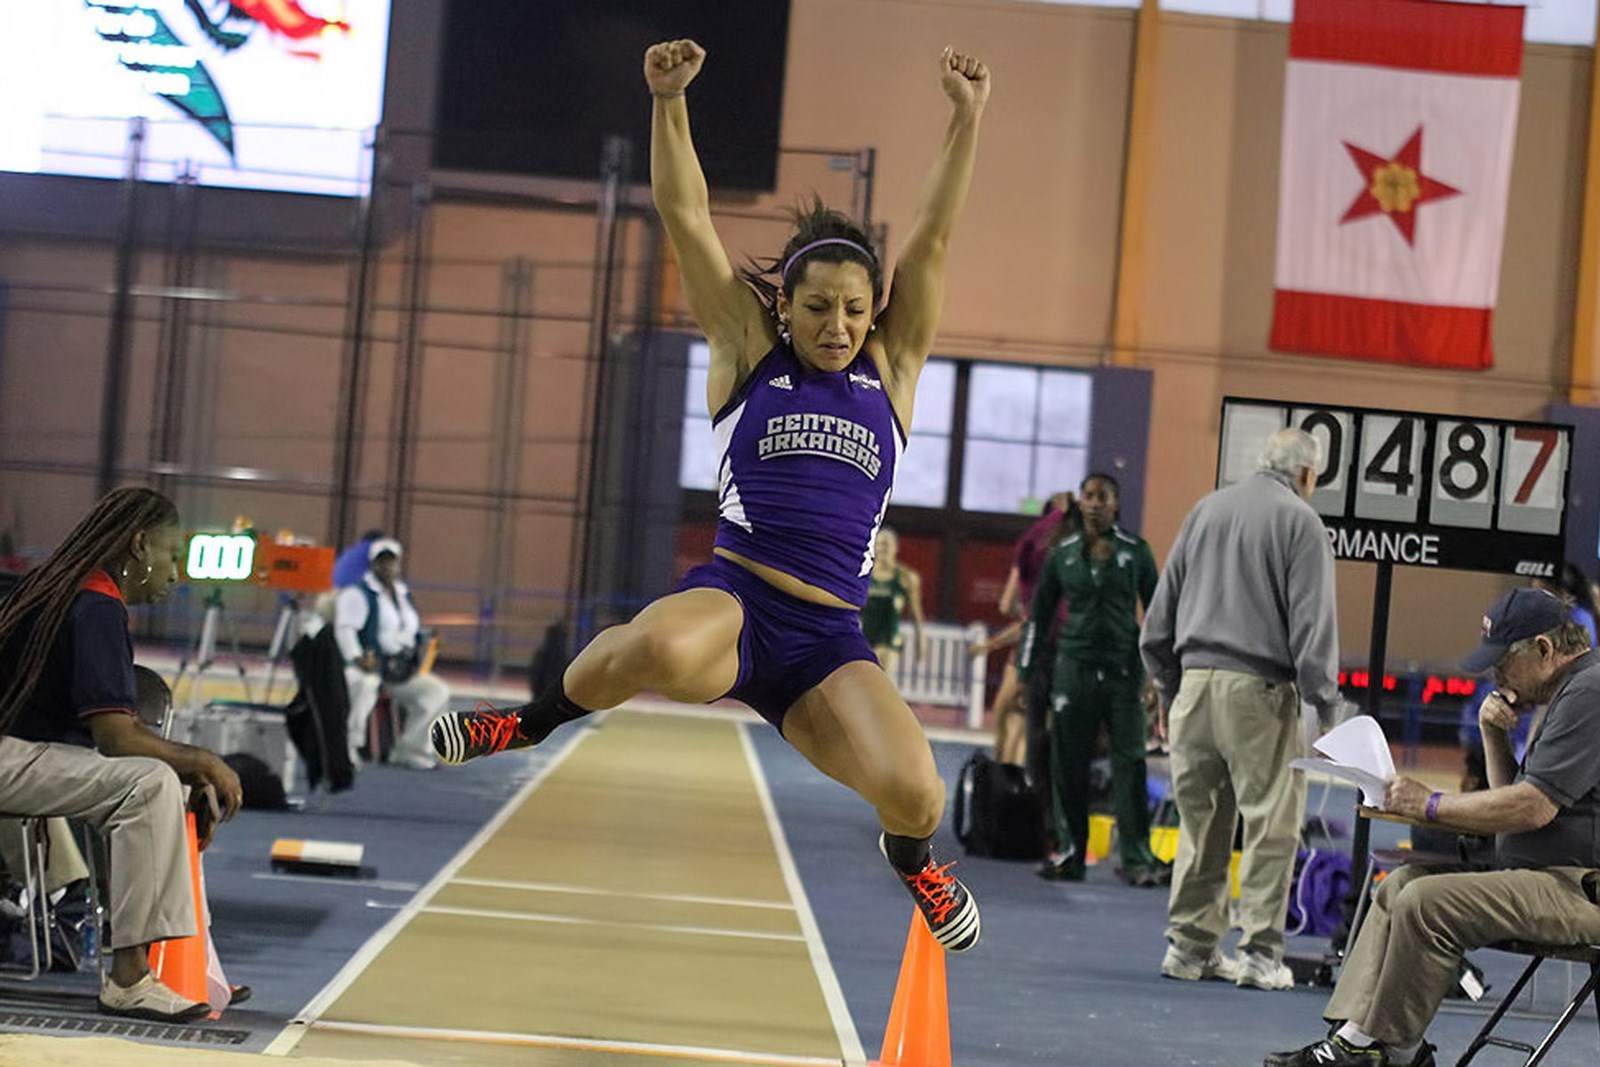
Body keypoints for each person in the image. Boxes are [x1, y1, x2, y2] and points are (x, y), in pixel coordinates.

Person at [430, 38, 990, 953]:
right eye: (817, 308)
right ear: (784, 309)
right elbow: (685, 213)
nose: (839, 325)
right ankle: (530, 721)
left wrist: (967, 120)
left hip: (827, 642)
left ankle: (915, 858)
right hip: (737, 602)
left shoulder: (893, 367)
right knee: (655, 641)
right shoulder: (747, 350)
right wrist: (669, 103)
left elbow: (931, 238)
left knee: (919, 791)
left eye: (854, 308)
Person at [1266, 587, 1599, 1067]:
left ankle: (1388, 1051)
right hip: (1545, 875)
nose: (1494, 675)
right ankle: (1355, 1039)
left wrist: (1432, 804)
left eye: (1502, 662)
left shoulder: (1589, 691)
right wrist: (1493, 734)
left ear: (1545, 650)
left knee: (1427, 903)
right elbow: (1515, 805)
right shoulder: (1566, 691)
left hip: (1578, 887)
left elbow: (1532, 809)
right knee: (1399, 885)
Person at [0, 486, 243, 1022]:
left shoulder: (66, 589)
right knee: (149, 783)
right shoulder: (95, 606)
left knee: (168, 786)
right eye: (171, 555)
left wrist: (187, 770)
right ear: (137, 546)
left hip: (17, 753)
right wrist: (205, 760)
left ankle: (194, 963)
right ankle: (130, 979)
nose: (176, 573)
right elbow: (116, 739)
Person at [1141, 427, 1344, 990]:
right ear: (1308, 475)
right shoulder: (1301, 521)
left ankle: (1189, 946)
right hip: (1258, 692)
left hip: (1194, 688)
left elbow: (1158, 622)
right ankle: (1260, 953)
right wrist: (1326, 706)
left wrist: (1166, 691)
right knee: (1270, 824)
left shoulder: (1205, 510)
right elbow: (1313, 627)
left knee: (1201, 823)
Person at [1019, 473, 1163, 886]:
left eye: (1103, 497)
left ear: (1117, 505)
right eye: (1088, 496)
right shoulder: (1060, 554)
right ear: (1079, 503)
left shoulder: (1137, 552)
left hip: (1124, 672)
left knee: (1131, 763)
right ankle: (1069, 852)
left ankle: (1137, 859)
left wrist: (1158, 675)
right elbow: (1038, 618)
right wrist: (1027, 676)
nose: (1094, 504)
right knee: (1067, 764)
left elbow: (1158, 615)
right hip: (1072, 669)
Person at [980, 491, 1078, 767]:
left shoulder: (1035, 549)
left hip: (1038, 640)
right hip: (1057, 643)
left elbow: (1006, 605)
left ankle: (1004, 778)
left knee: (1012, 715)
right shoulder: (1076, 549)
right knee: (1026, 722)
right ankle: (1016, 779)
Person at [334, 538, 447, 771]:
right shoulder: (357, 594)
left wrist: (425, 638)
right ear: (372, 565)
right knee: (364, 686)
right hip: (366, 666)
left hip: (398, 669)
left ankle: (410, 750)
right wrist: (357, 657)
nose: (386, 567)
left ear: (398, 564)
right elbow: (344, 630)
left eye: (391, 562)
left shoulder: (403, 595)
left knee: (437, 692)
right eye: (381, 562)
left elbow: (406, 629)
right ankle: (347, 748)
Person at [861, 527, 926, 678]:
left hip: (889, 638)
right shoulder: (865, 575)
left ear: (895, 548)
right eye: (880, 544)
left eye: (887, 544)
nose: (883, 548)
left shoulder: (906, 577)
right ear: (874, 546)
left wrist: (920, 640)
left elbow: (916, 612)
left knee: (880, 680)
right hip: (866, 636)